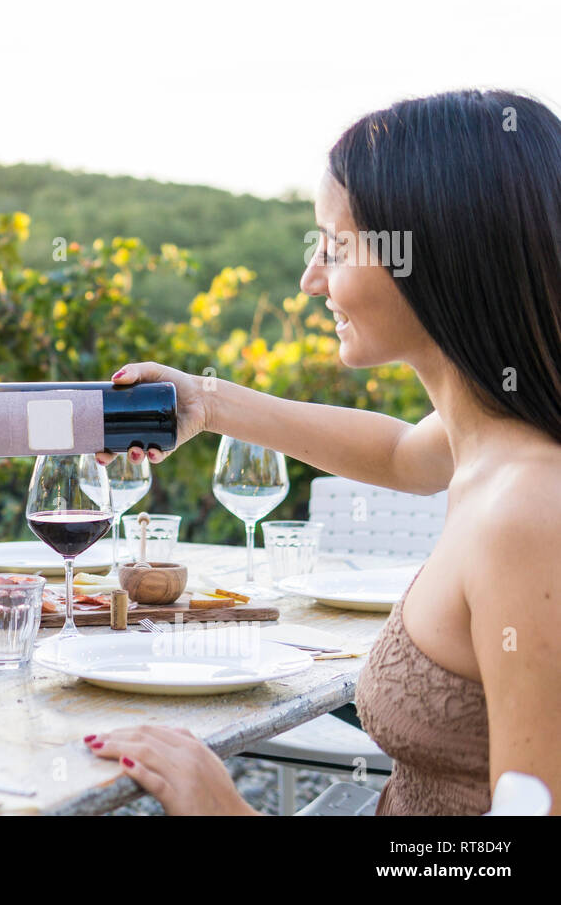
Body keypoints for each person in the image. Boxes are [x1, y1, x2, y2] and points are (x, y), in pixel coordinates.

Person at [87, 90, 561, 815]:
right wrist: (207, 402)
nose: (311, 280)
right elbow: (399, 454)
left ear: (438, 256)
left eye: (335, 249)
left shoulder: (526, 511)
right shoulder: (495, 434)